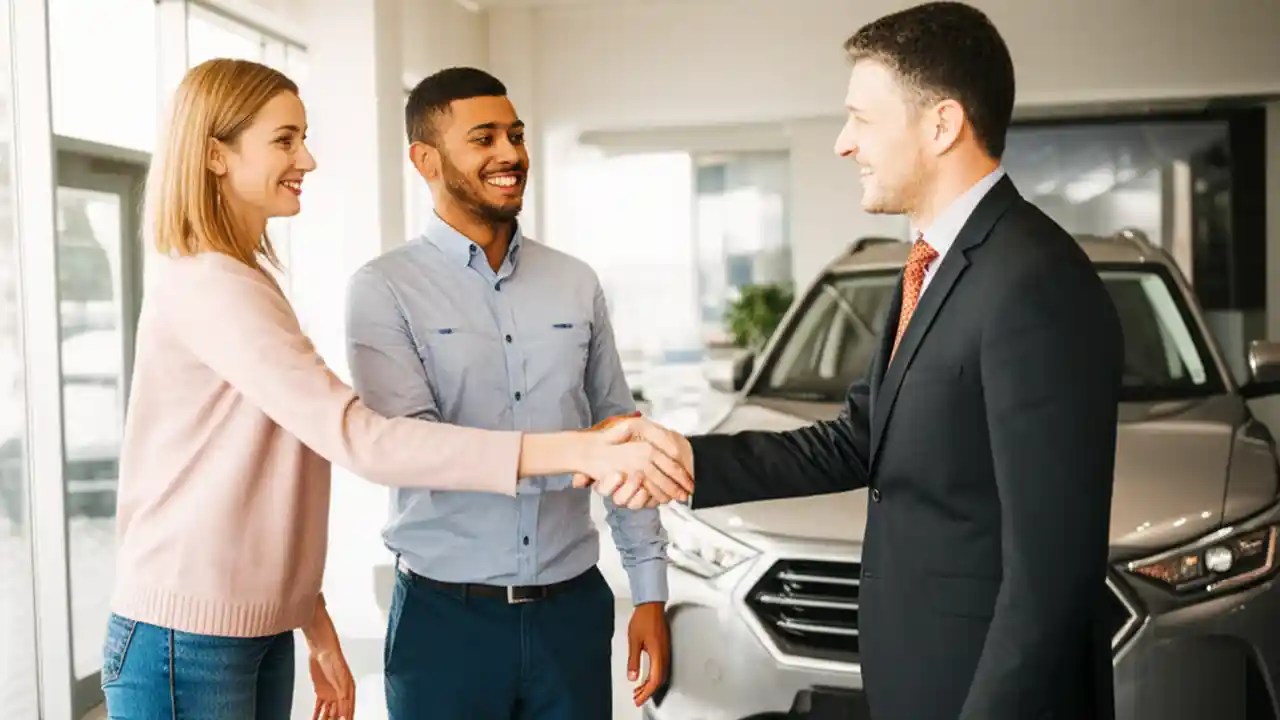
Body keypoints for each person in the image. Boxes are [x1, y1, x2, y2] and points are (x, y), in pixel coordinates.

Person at [101, 58, 690, 720]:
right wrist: (579, 452)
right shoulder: (217, 286)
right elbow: (364, 440)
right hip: (191, 633)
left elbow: (264, 475)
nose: (309, 159)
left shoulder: (248, 282)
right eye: (285, 139)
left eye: (303, 136)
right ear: (215, 155)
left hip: (248, 627)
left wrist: (308, 612)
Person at [608, 3, 1125, 719]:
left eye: (861, 118)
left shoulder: (1035, 281)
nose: (844, 144)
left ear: (940, 125)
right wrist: (684, 461)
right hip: (919, 676)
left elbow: (1052, 577)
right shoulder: (932, 264)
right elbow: (862, 439)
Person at [345, 67, 670, 720]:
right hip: (445, 620)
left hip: (572, 612)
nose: (511, 154)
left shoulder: (576, 283)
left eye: (516, 136)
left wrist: (649, 592)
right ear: (426, 160)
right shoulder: (384, 290)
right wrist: (568, 451)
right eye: (485, 138)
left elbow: (618, 432)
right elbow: (413, 447)